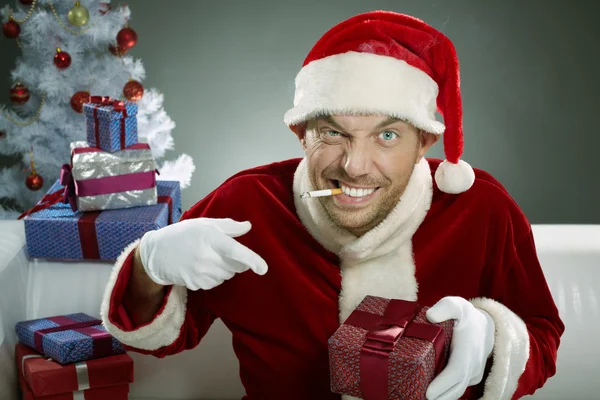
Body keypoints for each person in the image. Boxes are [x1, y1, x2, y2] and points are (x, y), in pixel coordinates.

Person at [100, 10, 563, 400]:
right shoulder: (247, 206)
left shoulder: (481, 208)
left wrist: (492, 342)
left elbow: (542, 332)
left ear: (424, 141)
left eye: (387, 135)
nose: (356, 166)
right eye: (331, 132)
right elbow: (157, 336)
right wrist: (149, 264)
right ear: (301, 133)